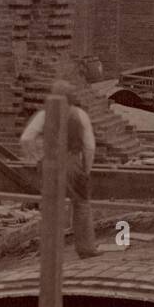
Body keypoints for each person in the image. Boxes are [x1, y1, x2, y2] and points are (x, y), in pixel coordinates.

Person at [19, 79, 98, 258]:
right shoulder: (80, 114)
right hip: (73, 163)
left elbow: (26, 138)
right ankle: (86, 249)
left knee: (51, 206)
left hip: (50, 164)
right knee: (82, 205)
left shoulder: (43, 115)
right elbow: (89, 146)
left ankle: (50, 251)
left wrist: (37, 158)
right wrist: (86, 169)